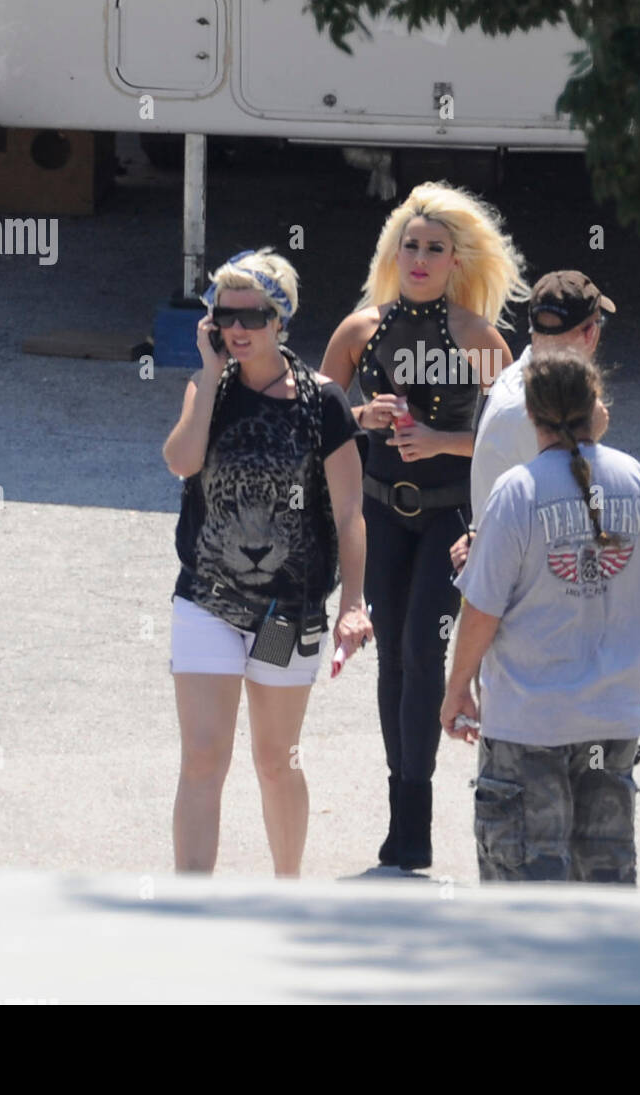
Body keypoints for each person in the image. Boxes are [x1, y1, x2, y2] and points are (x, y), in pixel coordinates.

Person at [321, 182, 525, 871]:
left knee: (420, 648)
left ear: (455, 260)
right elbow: (315, 423)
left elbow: (516, 441)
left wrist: (440, 439)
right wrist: (361, 418)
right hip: (380, 509)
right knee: (391, 659)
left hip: (448, 514)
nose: (419, 258)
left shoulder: (477, 336)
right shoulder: (360, 330)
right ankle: (402, 816)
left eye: (435, 248)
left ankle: (418, 814)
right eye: (410, 244)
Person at [162, 248, 373, 877]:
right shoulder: (208, 388)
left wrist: (355, 604)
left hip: (287, 612)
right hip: (207, 602)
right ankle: (190, 900)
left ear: (280, 319)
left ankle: (288, 889)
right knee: (202, 756)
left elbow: (349, 513)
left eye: (254, 315)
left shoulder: (324, 402)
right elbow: (181, 461)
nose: (239, 328)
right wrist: (206, 376)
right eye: (226, 315)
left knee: (276, 758)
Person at [440, 351, 640, 885]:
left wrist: (458, 686)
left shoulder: (518, 491)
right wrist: (624, 661)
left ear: (530, 413)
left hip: (529, 723)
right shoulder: (634, 479)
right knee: (603, 887)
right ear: (596, 407)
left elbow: (481, 610)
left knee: (527, 894)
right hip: (611, 721)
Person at [449, 270, 616, 573]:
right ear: (591, 334)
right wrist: (590, 436)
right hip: (516, 580)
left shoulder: (521, 376)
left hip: (504, 564)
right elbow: (570, 501)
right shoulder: (534, 409)